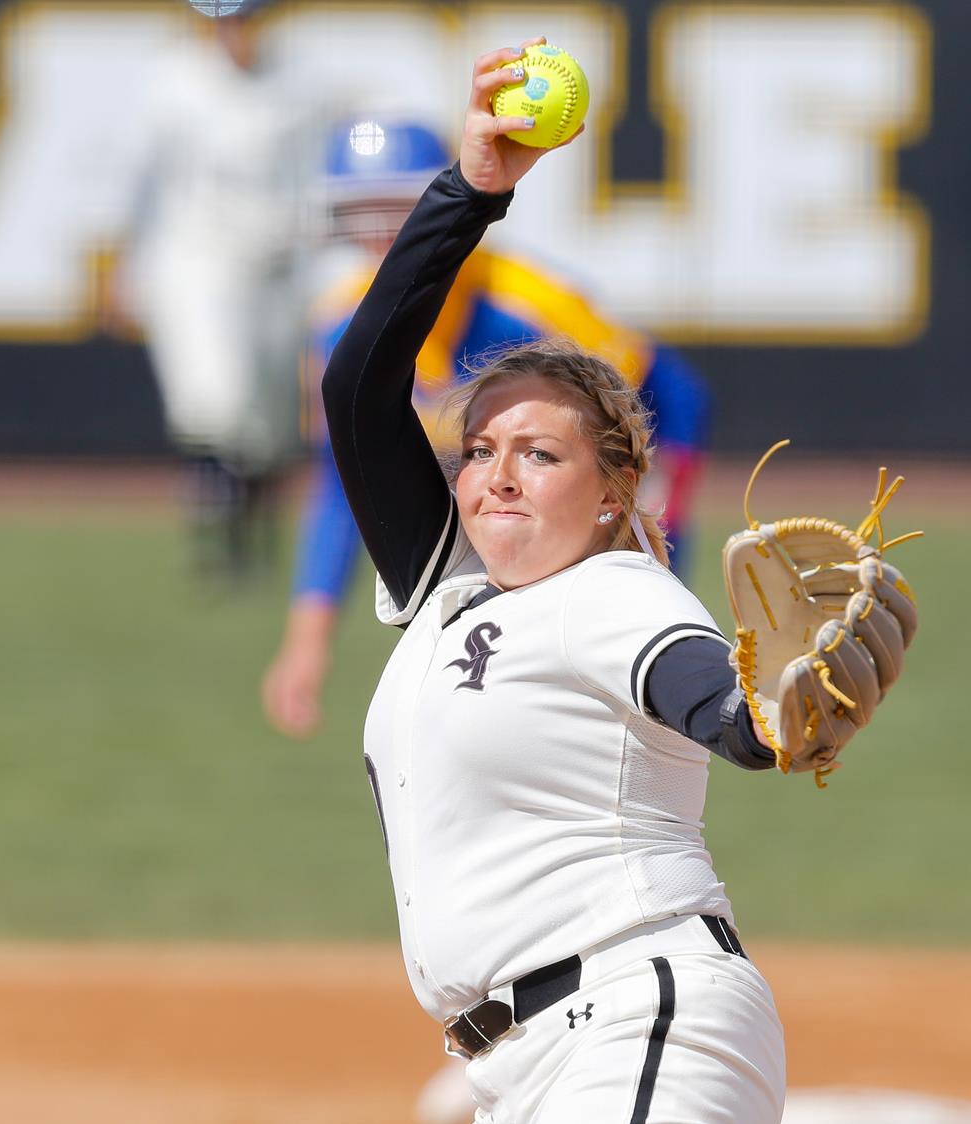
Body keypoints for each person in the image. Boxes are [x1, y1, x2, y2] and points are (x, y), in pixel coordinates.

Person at [318, 41, 827, 1124]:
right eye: (480, 450)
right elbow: (359, 384)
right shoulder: (449, 585)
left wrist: (772, 710)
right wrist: (471, 190)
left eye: (539, 454)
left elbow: (718, 703)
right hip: (526, 1063)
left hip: (645, 1020)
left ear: (612, 490)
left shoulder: (619, 594)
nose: (497, 474)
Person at [260, 114, 709, 738]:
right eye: (361, 210)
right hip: (501, 459)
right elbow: (343, 489)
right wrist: (307, 642)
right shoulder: (340, 325)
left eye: (400, 207)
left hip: (644, 426)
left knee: (620, 588)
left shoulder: (527, 305)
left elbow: (633, 404)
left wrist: (650, 536)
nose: (383, 231)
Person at [105, 0, 324, 582]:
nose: (238, 31)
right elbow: (140, 180)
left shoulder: (299, 80)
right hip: (195, 257)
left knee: (271, 421)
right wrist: (121, 266)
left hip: (276, 261)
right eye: (228, 18)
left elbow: (320, 176)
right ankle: (218, 537)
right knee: (215, 397)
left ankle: (252, 537)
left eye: (248, 18)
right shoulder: (173, 81)